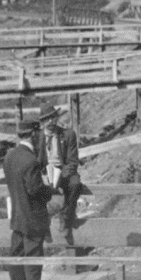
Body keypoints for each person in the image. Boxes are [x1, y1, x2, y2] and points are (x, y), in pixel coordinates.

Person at [4, 115, 53, 280]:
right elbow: (35, 191)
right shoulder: (30, 161)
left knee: (16, 257)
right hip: (33, 219)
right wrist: (50, 191)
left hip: (17, 218)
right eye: (38, 133)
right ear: (33, 134)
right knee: (33, 260)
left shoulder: (9, 157)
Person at [38, 103, 81, 243]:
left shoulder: (68, 135)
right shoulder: (38, 138)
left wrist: (60, 175)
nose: (50, 122)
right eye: (46, 119)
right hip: (45, 173)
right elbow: (35, 162)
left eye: (52, 118)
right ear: (42, 122)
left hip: (62, 173)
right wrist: (43, 175)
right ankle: (43, 226)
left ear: (56, 118)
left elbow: (72, 162)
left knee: (75, 183)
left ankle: (66, 219)